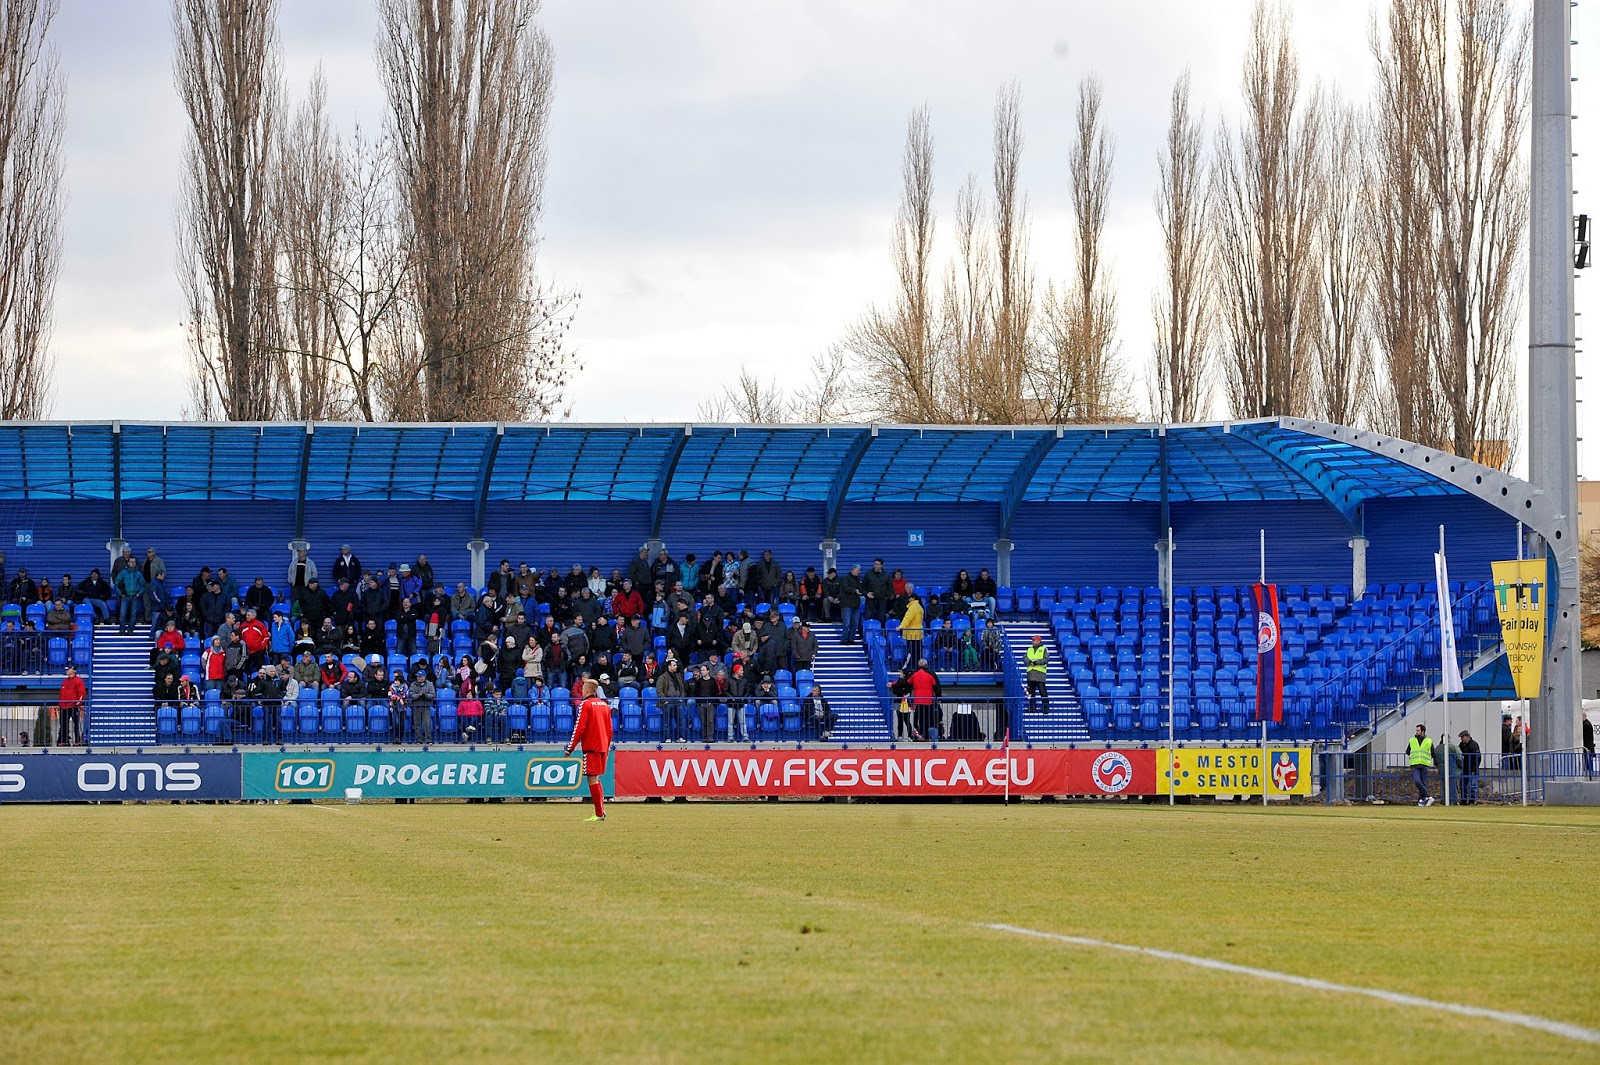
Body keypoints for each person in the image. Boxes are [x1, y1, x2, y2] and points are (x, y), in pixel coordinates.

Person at [564, 677, 613, 822]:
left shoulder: (586, 705)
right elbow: (610, 730)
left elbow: (579, 728)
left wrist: (570, 748)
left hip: (591, 746)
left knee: (592, 779)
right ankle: (601, 811)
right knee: (596, 779)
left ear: (586, 690)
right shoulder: (604, 705)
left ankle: (599, 814)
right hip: (603, 746)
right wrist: (607, 747)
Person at [57, 664, 86, 746]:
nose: (66, 671)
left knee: (76, 724)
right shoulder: (65, 682)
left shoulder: (78, 681)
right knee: (63, 724)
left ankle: (77, 740)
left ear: (73, 670)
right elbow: (62, 694)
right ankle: (64, 740)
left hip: (73, 706)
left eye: (68, 669)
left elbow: (82, 693)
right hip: (64, 706)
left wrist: (78, 703)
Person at [1407, 723, 1435, 807]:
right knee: (1417, 781)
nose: (1416, 732)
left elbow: (1432, 752)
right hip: (1415, 764)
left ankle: (1421, 800)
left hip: (1424, 764)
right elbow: (1408, 751)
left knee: (1423, 783)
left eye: (1418, 730)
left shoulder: (1428, 741)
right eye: (1416, 730)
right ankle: (1428, 797)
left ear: (1423, 731)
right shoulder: (1412, 740)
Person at [1025, 634, 1050, 714]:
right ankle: (1032, 708)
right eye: (1032, 640)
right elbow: (1024, 658)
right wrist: (1029, 662)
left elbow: (1046, 659)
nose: (1032, 641)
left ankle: (1046, 708)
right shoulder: (1029, 649)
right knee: (1031, 693)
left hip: (1040, 674)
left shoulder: (1044, 649)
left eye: (1034, 640)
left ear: (1038, 641)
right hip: (1031, 674)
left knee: (1043, 692)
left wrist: (1036, 662)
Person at [900, 589, 924, 669]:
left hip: (912, 633)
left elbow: (908, 618)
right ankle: (918, 667)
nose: (908, 599)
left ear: (913, 599)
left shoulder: (913, 607)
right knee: (917, 652)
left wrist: (901, 626)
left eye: (909, 598)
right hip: (919, 633)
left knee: (910, 651)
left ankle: (905, 667)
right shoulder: (920, 607)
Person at [1459, 730, 1482, 804]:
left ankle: (1472, 800)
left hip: (1472, 768)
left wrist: (1474, 769)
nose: (1461, 739)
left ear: (1467, 736)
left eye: (1463, 737)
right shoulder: (1461, 745)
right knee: (1463, 785)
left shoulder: (1474, 745)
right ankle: (1464, 800)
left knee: (1473, 786)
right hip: (1464, 768)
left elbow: (1477, 758)